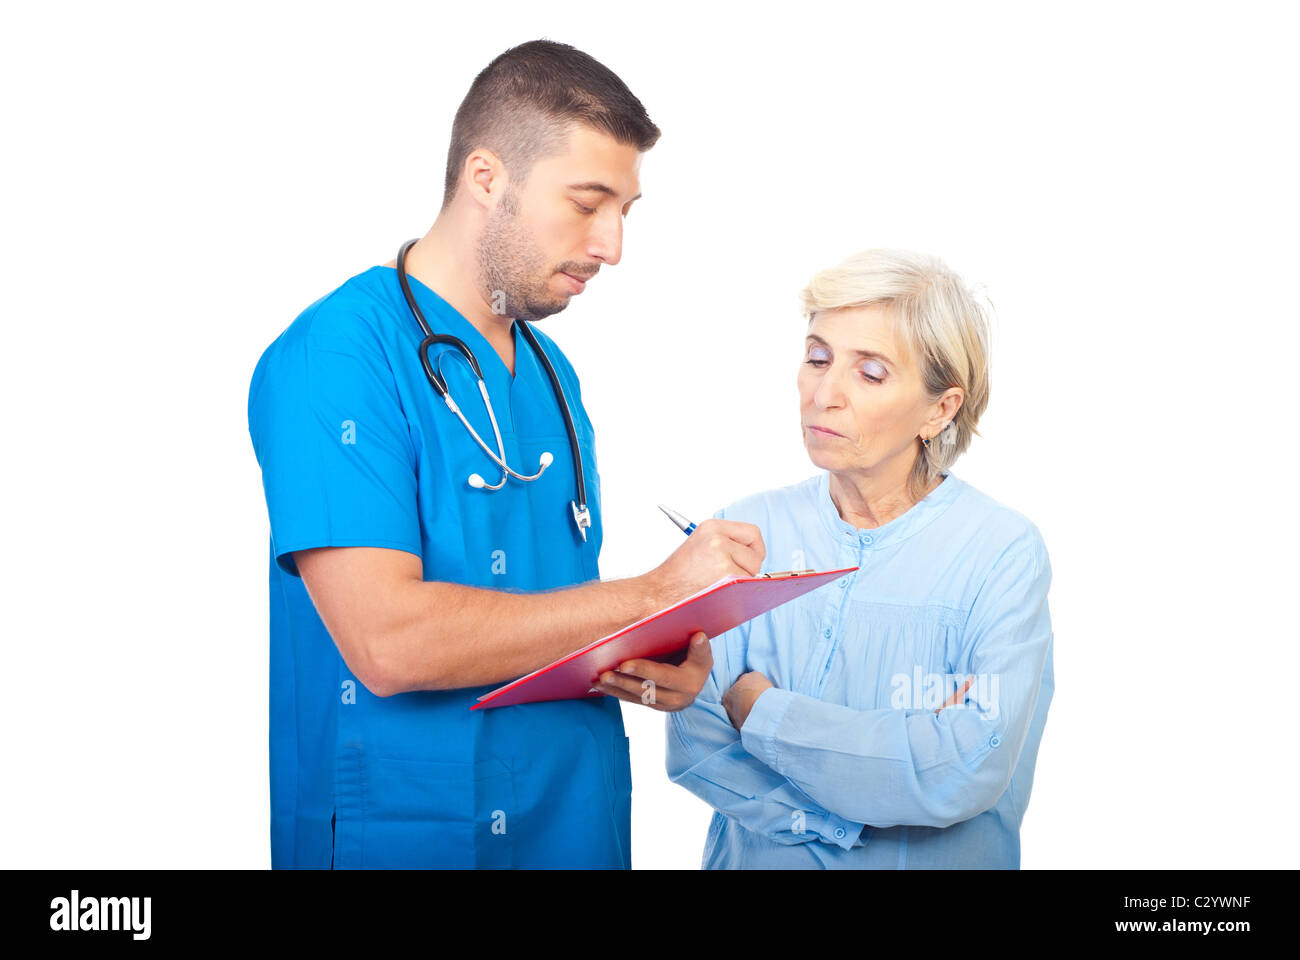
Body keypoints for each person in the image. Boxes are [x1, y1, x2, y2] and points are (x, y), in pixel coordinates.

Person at [247, 40, 765, 869]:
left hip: (575, 820)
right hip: (411, 831)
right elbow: (390, 644)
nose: (613, 245)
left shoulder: (551, 374)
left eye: (626, 211)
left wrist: (654, 648)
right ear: (487, 178)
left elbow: (542, 608)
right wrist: (655, 592)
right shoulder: (335, 359)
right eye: (588, 203)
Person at [666, 249, 1054, 869]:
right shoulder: (746, 529)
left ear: (940, 409)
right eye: (817, 358)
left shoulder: (999, 552)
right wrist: (860, 807)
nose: (824, 394)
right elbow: (698, 744)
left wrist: (761, 711)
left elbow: (966, 764)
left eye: (870, 373)